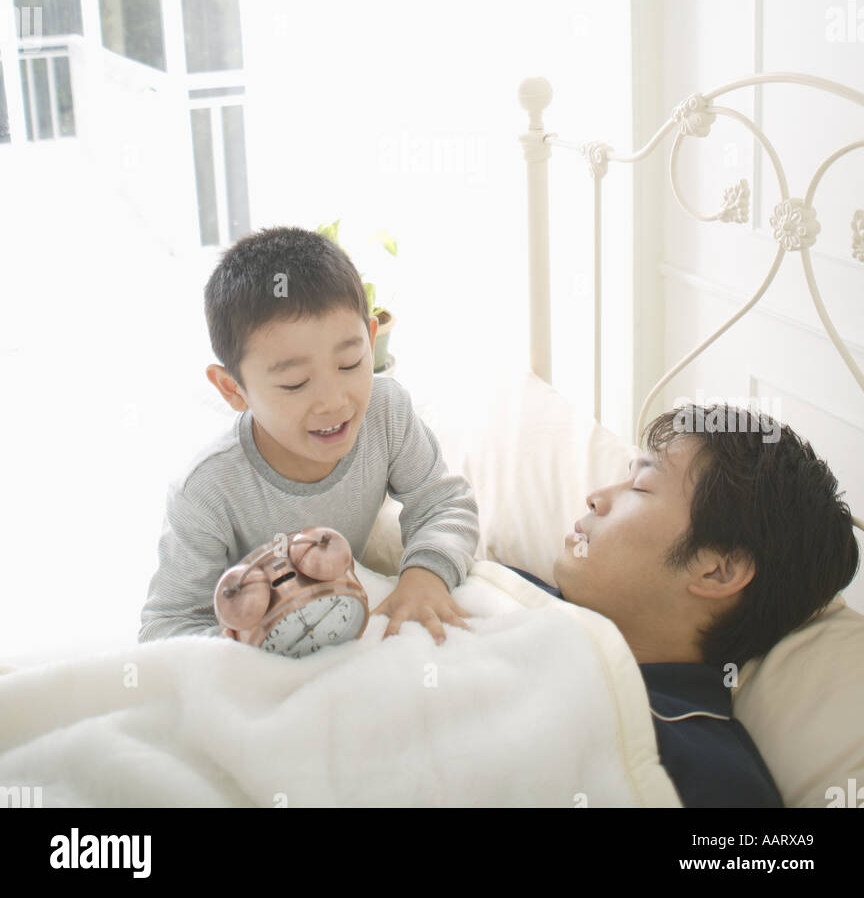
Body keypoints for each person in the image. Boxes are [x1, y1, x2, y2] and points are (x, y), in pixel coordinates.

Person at [139, 226, 480, 648]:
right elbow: (166, 627)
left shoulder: (384, 413)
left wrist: (425, 576)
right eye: (296, 384)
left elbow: (444, 503)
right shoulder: (208, 491)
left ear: (371, 342)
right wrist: (261, 638)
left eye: (350, 363)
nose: (332, 403)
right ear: (233, 389)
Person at [505, 404, 860, 809]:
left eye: (640, 486)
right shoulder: (485, 584)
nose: (595, 497)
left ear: (717, 571)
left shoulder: (710, 776)